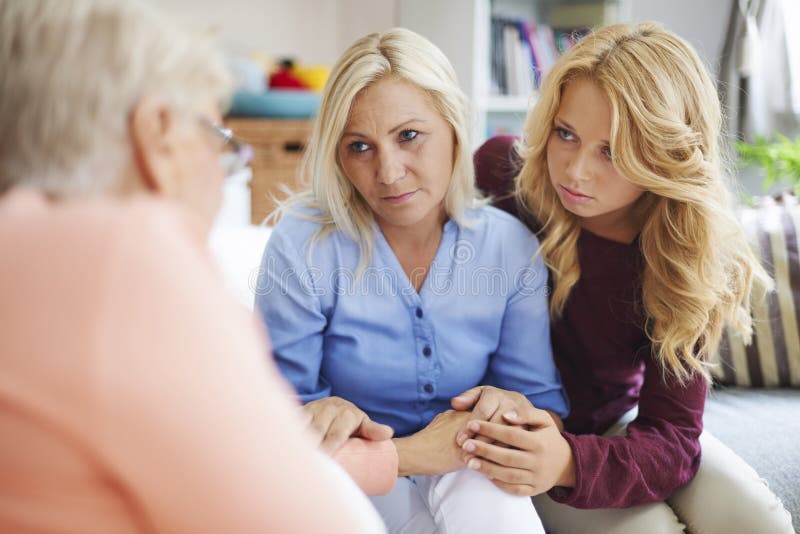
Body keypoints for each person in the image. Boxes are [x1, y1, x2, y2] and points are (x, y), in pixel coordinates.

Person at [0, 0, 388, 532]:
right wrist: (403, 458)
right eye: (217, 137)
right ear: (158, 132)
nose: (223, 167)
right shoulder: (128, 255)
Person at [456, 22, 795, 533]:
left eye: (612, 151)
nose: (575, 171)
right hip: (512, 430)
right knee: (649, 530)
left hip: (609, 427)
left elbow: (672, 438)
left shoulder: (687, 258)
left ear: (669, 154)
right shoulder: (504, 177)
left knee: (755, 520)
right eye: (565, 133)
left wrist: (569, 462)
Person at [255, 28, 568, 534]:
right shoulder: (303, 244)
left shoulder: (511, 248)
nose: (389, 172)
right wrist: (321, 414)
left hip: (466, 464)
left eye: (408, 136)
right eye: (360, 147)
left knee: (484, 491)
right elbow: (271, 425)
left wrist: (515, 411)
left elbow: (544, 410)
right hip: (347, 472)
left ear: (454, 127)